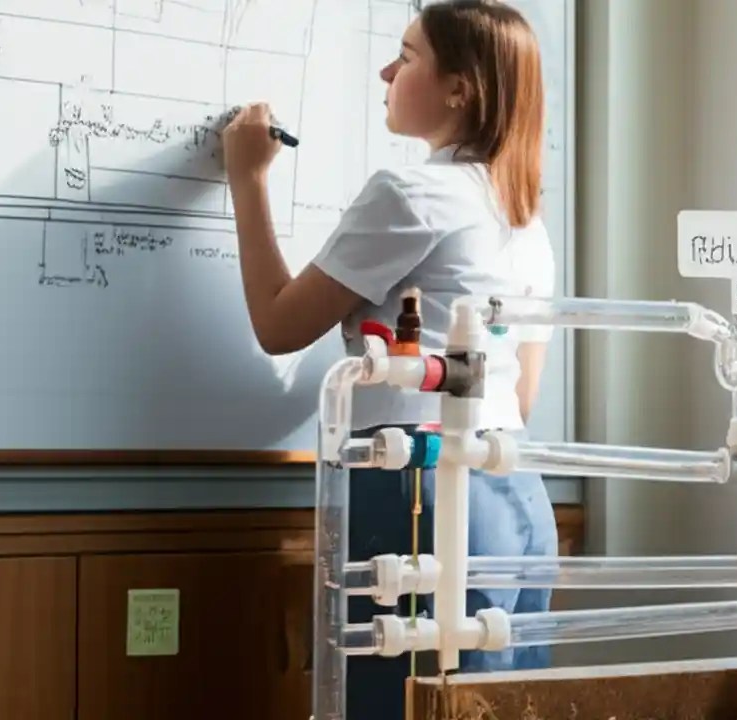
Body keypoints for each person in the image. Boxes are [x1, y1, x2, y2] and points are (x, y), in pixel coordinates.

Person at [220, 1, 558, 717]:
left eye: (406, 56)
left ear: (460, 88)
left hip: (414, 487)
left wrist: (247, 179)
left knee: (396, 701)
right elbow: (520, 397)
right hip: (517, 496)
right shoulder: (525, 218)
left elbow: (280, 325)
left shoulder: (412, 194)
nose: (385, 70)